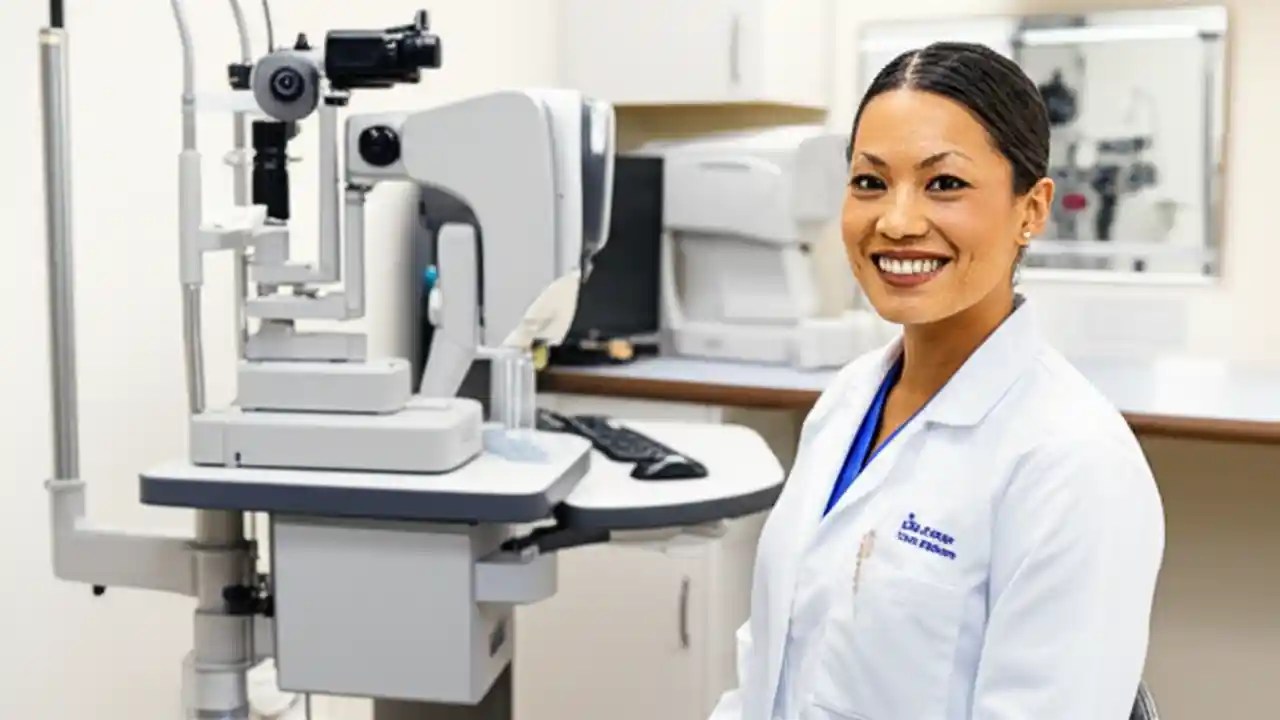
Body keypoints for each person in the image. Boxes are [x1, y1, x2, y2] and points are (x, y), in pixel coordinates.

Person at [708, 42, 1165, 720]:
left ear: (1032, 210)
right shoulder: (846, 402)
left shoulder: (1075, 464)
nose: (896, 221)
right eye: (869, 182)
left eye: (944, 184)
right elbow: (771, 658)